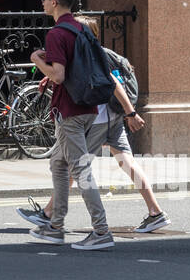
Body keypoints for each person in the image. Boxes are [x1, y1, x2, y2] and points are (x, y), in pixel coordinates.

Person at [17, 16, 170, 234]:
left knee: (73, 166)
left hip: (97, 119)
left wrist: (131, 112)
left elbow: (114, 83)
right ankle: (156, 213)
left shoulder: (93, 54)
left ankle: (53, 215)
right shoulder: (92, 53)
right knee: (126, 163)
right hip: (112, 118)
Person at [26, 0, 113, 250]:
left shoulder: (56, 33)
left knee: (81, 171)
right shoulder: (80, 28)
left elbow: (59, 75)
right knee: (58, 164)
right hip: (88, 106)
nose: (42, 2)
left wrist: (37, 60)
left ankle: (101, 231)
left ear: (54, 2)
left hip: (70, 111)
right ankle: (55, 226)